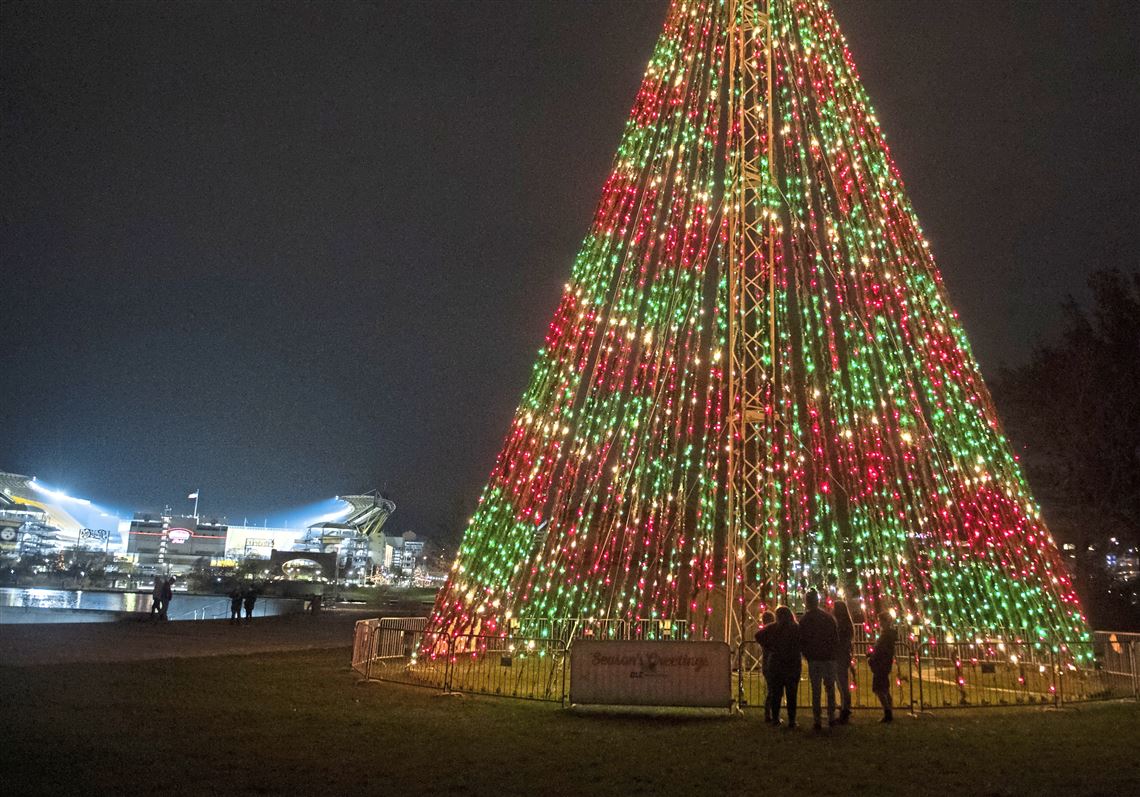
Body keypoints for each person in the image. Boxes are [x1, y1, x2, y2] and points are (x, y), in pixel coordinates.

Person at [798, 588, 839, 731]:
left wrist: (807, 655)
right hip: (828, 658)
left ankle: (817, 720)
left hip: (815, 659)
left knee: (816, 690)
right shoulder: (828, 618)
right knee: (830, 688)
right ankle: (831, 717)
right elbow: (835, 638)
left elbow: (802, 640)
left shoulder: (805, 620)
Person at [756, 606, 801, 728]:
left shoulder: (773, 628)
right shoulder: (796, 628)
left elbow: (758, 635)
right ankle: (791, 720)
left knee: (776, 693)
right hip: (792, 664)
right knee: (792, 694)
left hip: (775, 664)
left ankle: (775, 718)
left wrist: (769, 647)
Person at [869, 611, 898, 722]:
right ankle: (889, 711)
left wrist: (873, 657)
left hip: (881, 664)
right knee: (885, 688)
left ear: (886, 621)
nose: (880, 623)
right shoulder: (887, 635)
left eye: (881, 621)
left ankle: (887, 712)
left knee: (878, 689)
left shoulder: (886, 635)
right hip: (885, 664)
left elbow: (881, 650)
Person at [833, 600, 855, 724]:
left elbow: (839, 641)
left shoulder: (841, 625)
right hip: (843, 656)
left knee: (842, 684)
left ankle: (845, 709)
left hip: (840, 656)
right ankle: (845, 707)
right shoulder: (847, 624)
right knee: (842, 684)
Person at [754, 610, 777, 722]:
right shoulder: (770, 632)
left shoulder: (764, 633)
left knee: (771, 690)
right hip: (771, 664)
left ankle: (769, 713)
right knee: (773, 690)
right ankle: (769, 714)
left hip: (766, 664)